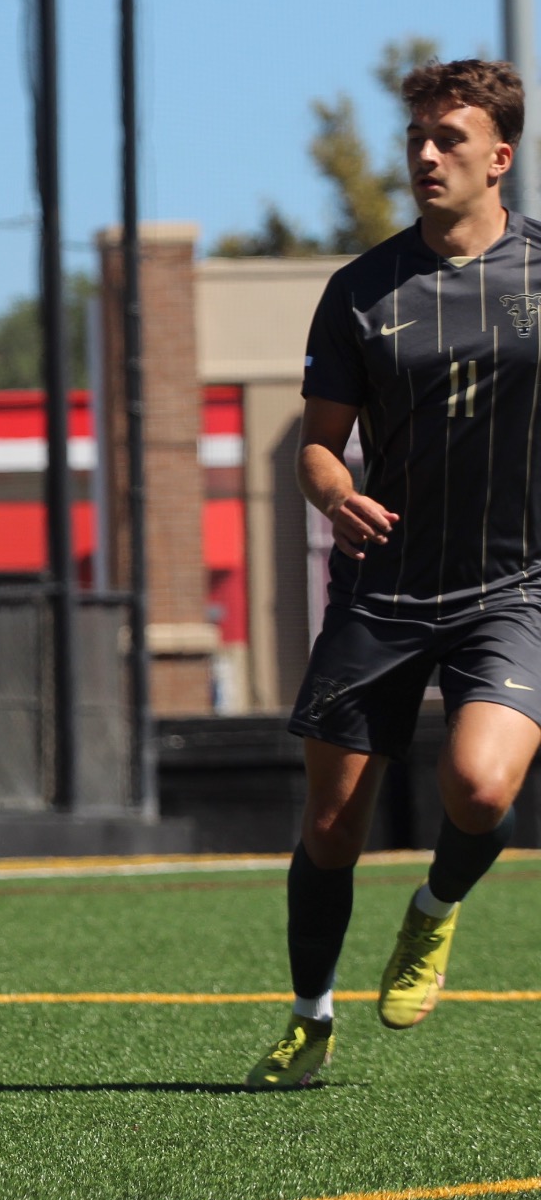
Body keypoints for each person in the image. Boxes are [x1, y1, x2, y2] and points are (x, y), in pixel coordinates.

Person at [249, 58, 539, 1089]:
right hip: (382, 586)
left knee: (477, 782)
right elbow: (315, 447)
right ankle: (306, 1015)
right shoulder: (358, 290)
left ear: (497, 157)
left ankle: (433, 908)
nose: (422, 155)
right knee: (330, 825)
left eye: (446, 139)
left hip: (515, 586)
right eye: (413, 138)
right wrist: (331, 493)